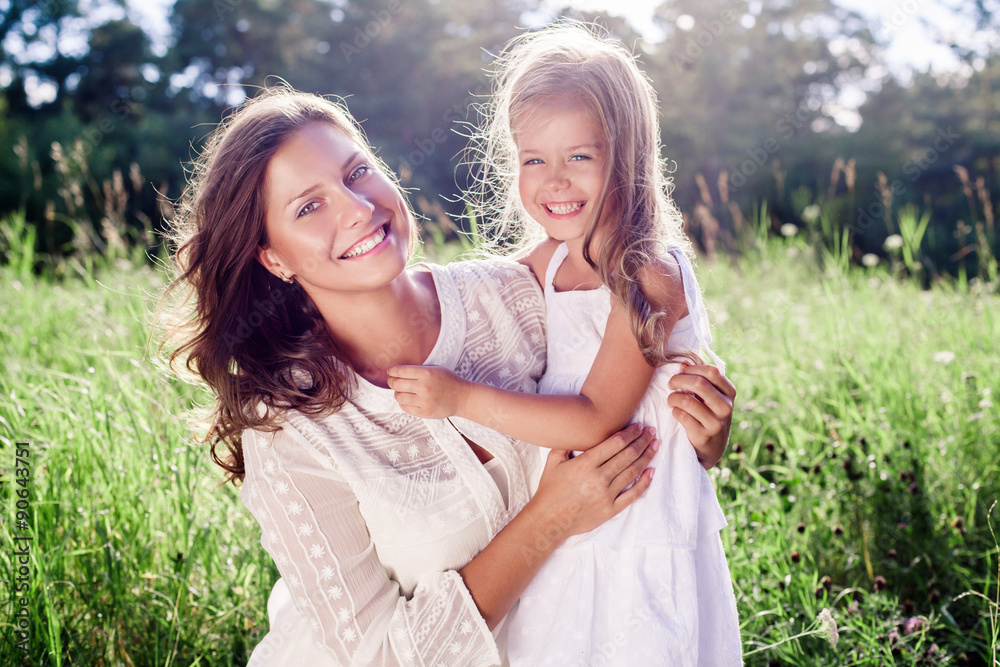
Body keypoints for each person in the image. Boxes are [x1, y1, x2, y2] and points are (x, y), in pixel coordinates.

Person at [154, 84, 735, 666]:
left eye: (357, 173)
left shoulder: (519, 296)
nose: (356, 208)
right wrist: (549, 519)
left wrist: (696, 438)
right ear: (273, 257)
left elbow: (611, 408)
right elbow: (378, 658)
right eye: (309, 207)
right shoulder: (290, 432)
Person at [388, 23, 742, 666]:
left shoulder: (647, 271)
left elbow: (597, 415)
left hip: (639, 519)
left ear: (627, 157)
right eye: (533, 160)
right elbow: (468, 289)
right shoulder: (553, 259)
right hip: (574, 516)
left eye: (580, 157)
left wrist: (458, 398)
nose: (554, 181)